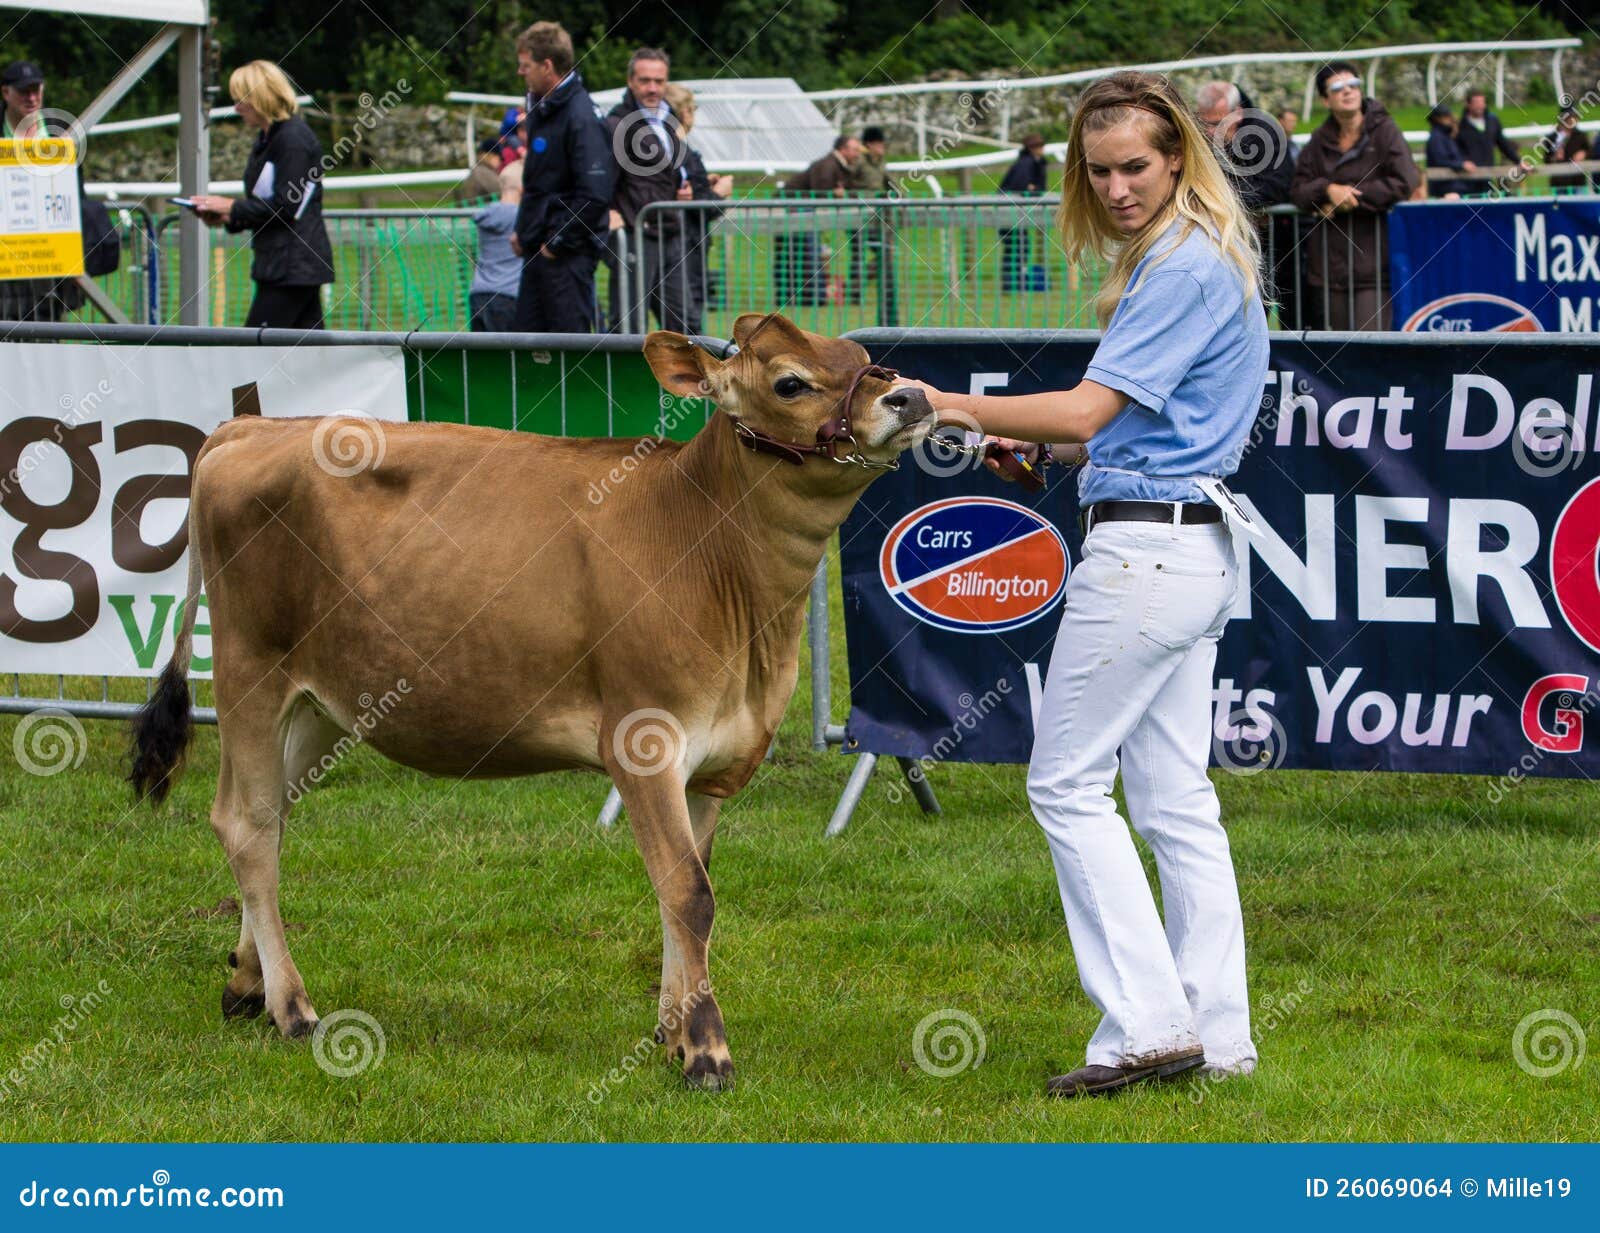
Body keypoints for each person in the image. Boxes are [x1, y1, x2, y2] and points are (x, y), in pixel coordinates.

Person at [894, 69, 1267, 1098]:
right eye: (1097, 171)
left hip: (1148, 557)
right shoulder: (1193, 257)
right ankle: (1218, 1038)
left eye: (1135, 166)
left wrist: (940, 400)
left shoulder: (1181, 266)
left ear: (1178, 157)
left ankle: (1150, 1027)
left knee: (1064, 784)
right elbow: (1131, 435)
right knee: (1172, 800)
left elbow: (1085, 412)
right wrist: (1041, 456)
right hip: (1181, 543)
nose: (1115, 187)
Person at [191, 60, 333, 329]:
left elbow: (286, 206)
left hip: (293, 268)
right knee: (308, 357)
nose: (236, 108)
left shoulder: (293, 140)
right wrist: (227, 217)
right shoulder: (268, 139)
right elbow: (264, 204)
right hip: (282, 265)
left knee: (254, 350)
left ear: (260, 98)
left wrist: (232, 207)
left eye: (241, 99)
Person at [1288, 62, 1419, 330]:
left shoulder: (1385, 131)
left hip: (1374, 263)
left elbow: (1406, 180)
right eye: (1337, 88)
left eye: (1353, 85)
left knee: (1370, 349)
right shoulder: (1318, 140)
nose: (1347, 91)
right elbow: (1298, 190)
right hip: (1329, 266)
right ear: (1325, 100)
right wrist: (1327, 190)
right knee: (1339, 356)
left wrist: (1350, 198)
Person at [510, 21, 614, 334]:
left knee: (569, 349)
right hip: (538, 250)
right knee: (527, 346)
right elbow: (542, 182)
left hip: (566, 257)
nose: (520, 72)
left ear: (547, 66)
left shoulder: (580, 116)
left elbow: (595, 192)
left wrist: (557, 242)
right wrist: (523, 229)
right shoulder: (545, 107)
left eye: (525, 65)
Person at [606, 47, 699, 334]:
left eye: (659, 81)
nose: (652, 88)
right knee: (628, 324)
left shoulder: (669, 124)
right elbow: (602, 175)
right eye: (645, 80)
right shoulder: (615, 124)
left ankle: (688, 380)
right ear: (631, 81)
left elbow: (669, 173)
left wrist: (683, 192)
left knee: (686, 325)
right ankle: (622, 379)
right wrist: (607, 209)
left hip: (670, 232)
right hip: (636, 233)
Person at [0, 59, 87, 322]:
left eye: (36, 89)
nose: (31, 97)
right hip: (7, 258)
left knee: (48, 328)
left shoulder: (60, 131)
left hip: (50, 259)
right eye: (24, 91)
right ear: (6, 93)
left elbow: (76, 192)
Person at [664, 82, 732, 332]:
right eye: (691, 109)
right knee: (689, 319)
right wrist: (719, 193)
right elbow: (702, 203)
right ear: (684, 112)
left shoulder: (668, 148)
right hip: (687, 243)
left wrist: (705, 184)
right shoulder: (681, 151)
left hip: (684, 241)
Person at [775, 135, 861, 306]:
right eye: (855, 149)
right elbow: (820, 194)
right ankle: (816, 295)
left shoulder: (836, 165)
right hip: (796, 209)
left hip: (796, 208)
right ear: (843, 149)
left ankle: (805, 295)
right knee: (809, 251)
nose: (858, 154)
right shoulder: (828, 166)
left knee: (797, 253)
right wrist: (834, 194)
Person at [1194, 81, 1292, 209]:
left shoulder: (1265, 134)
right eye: (1205, 123)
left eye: (1219, 123)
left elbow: (1276, 188)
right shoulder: (1199, 136)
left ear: (1238, 113)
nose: (1210, 132)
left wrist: (1217, 197)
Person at [845, 124, 896, 311]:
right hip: (857, 214)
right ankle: (855, 294)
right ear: (870, 144)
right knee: (858, 253)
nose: (882, 146)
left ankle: (856, 286)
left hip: (876, 216)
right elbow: (846, 180)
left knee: (885, 251)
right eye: (879, 143)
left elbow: (889, 181)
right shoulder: (859, 161)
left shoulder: (880, 162)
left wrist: (901, 195)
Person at [469, 163, 524, 331]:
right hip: (509, 295)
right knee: (512, 355)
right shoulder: (521, 217)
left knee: (484, 355)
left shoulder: (487, 215)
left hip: (479, 294)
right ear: (523, 187)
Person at [999, 133, 1049, 293]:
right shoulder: (1026, 163)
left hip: (1016, 213)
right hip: (1010, 212)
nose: (1040, 148)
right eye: (1037, 146)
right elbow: (1020, 187)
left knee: (1018, 247)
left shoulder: (1034, 163)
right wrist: (1031, 188)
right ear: (1030, 149)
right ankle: (1011, 284)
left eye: (1041, 145)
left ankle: (1013, 283)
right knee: (1017, 247)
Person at [1456, 89, 1519, 172]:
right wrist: (1462, 163)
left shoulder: (1492, 121)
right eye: (1476, 103)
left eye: (1482, 102)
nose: (1480, 106)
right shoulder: (1459, 125)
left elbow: (1503, 144)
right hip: (1467, 175)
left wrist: (1519, 161)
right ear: (1468, 104)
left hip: (1488, 173)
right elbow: (1455, 149)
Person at [1424, 105, 1474, 198]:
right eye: (1446, 116)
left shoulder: (1445, 136)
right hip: (1446, 188)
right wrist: (1461, 165)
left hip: (1451, 186)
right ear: (1438, 119)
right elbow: (1440, 160)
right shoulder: (1437, 137)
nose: (1450, 119)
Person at [1543, 106, 1592, 192]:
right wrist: (1555, 158)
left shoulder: (1580, 136)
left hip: (1578, 181)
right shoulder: (1552, 137)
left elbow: (1590, 152)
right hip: (1559, 183)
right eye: (1570, 118)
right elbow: (1546, 159)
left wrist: (1584, 154)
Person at [455, 138, 504, 203]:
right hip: (477, 210)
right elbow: (503, 193)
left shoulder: (478, 170)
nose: (500, 162)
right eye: (500, 158)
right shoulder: (484, 173)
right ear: (490, 155)